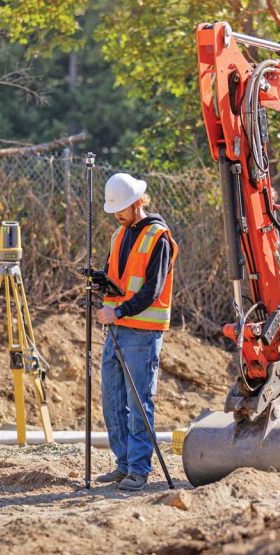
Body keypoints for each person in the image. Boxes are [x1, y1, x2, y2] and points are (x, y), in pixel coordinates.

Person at [95, 172, 179, 491]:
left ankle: (140, 469)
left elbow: (152, 290)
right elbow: (115, 275)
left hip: (142, 332)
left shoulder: (158, 237)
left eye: (121, 208)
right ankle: (123, 463)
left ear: (136, 203)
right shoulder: (119, 235)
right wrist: (99, 284)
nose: (116, 215)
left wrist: (118, 310)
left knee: (139, 402)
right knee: (113, 400)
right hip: (116, 328)